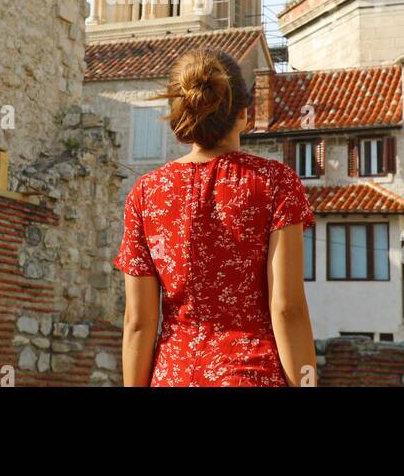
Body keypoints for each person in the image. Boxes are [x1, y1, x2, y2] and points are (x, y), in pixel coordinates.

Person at [113, 48, 317, 387]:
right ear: (243, 114)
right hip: (251, 376)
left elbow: (138, 322)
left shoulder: (145, 194)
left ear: (179, 116)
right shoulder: (274, 182)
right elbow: (287, 310)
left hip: (172, 377)